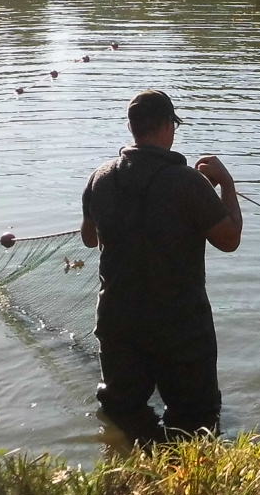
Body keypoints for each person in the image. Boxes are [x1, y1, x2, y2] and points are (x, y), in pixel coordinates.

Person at [80, 90, 243, 444]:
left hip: (117, 322)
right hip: (180, 329)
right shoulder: (187, 182)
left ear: (132, 127)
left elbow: (90, 239)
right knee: (195, 421)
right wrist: (226, 185)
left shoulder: (100, 178)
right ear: (169, 126)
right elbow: (229, 239)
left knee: (123, 412)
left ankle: (130, 485)